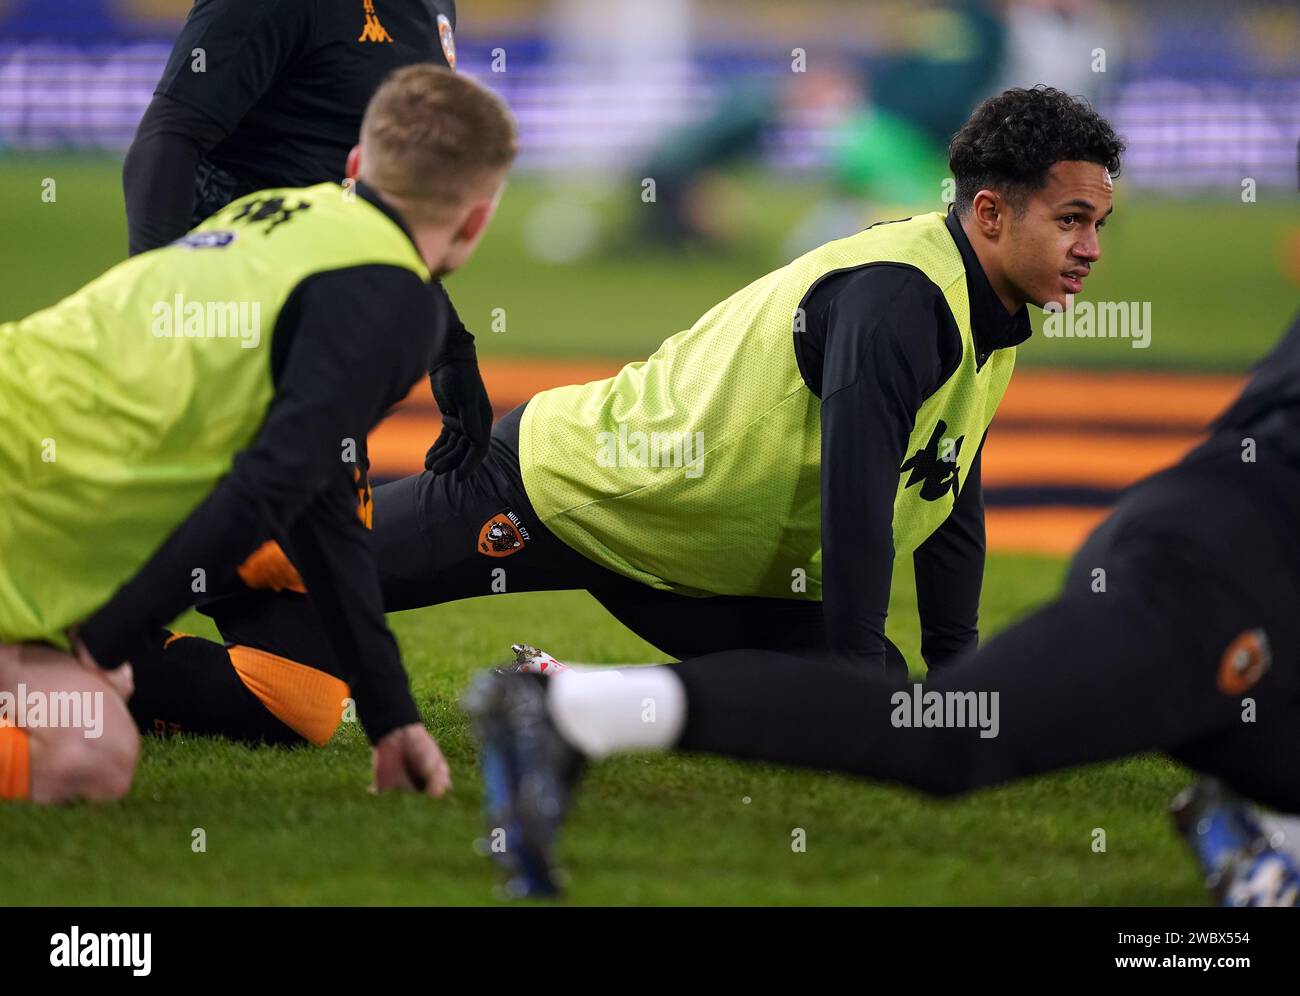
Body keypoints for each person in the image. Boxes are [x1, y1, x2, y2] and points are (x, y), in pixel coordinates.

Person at [465, 308, 1300, 903]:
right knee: (954, 732)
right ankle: (573, 708)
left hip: (1228, 525)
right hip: (1235, 557)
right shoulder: (915, 298)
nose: (1090, 249)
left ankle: (1248, 817)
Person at [0, 65, 516, 804]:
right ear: (476, 220)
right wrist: (105, 644)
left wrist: (391, 716)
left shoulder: (277, 210)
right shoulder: (397, 298)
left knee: (93, 744)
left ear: (355, 166)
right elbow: (272, 484)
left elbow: (316, 499)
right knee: (89, 763)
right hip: (22, 503)